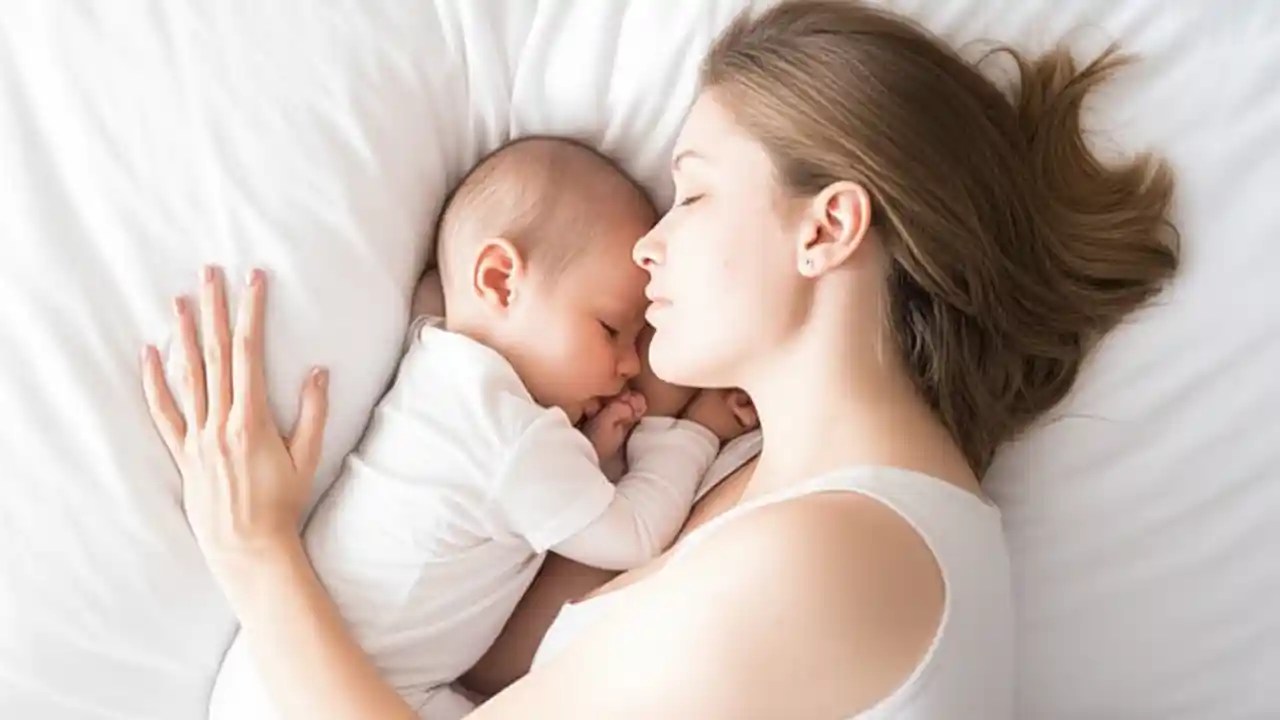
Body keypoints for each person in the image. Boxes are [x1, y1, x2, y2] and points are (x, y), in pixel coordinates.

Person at [140, 0, 1177, 716]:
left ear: (825, 230)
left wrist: (256, 553)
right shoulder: (766, 486)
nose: (647, 244)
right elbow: (512, 657)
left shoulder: (829, 561)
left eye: (692, 192)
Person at [203, 138, 755, 719]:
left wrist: (583, 454)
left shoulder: (435, 358)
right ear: (498, 281)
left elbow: (483, 499)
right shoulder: (515, 436)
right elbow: (636, 532)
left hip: (266, 675)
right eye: (611, 327)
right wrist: (683, 434)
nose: (627, 364)